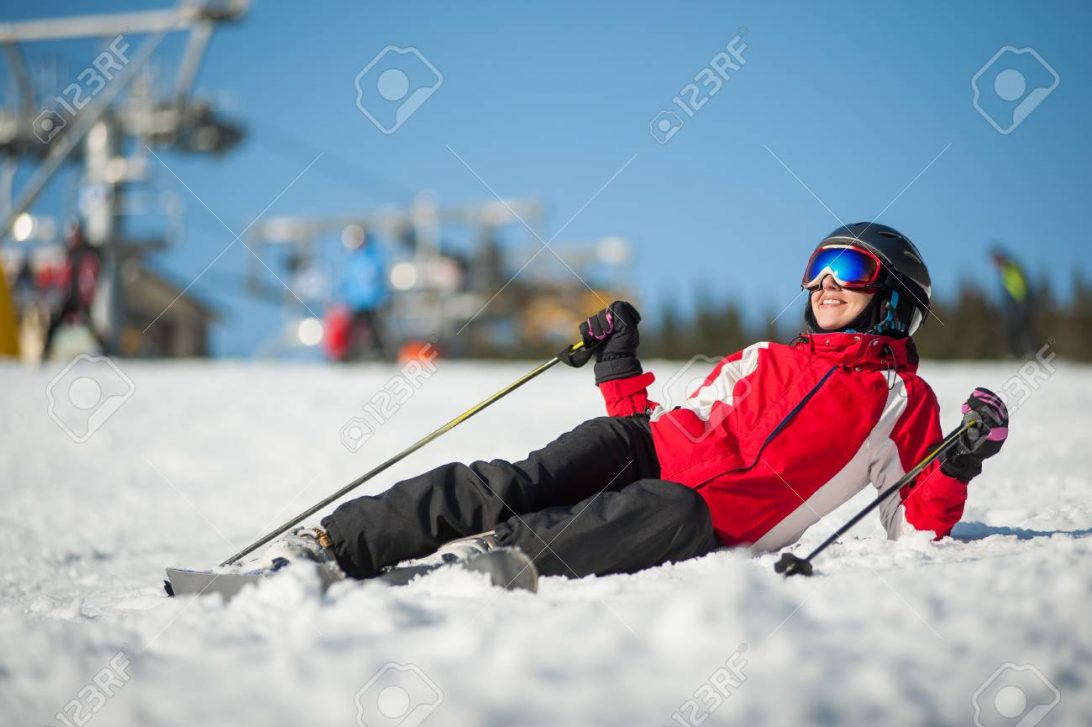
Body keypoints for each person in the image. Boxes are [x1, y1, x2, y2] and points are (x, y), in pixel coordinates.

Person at [249, 223, 1010, 580]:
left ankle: (492, 557)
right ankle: (333, 540)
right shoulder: (765, 357)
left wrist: (961, 461)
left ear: (895, 297)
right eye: (816, 267)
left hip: (709, 514)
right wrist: (619, 362)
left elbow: (913, 523)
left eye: (845, 267)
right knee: (510, 477)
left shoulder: (902, 402)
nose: (824, 284)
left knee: (661, 512)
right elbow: (660, 420)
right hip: (654, 447)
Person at [42, 222, 106, 359]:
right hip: (69, 296)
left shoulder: (88, 254)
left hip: (81, 298)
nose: (74, 239)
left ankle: (104, 350)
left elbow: (91, 274)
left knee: (89, 324)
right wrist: (59, 286)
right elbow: (64, 274)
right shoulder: (69, 254)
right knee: (56, 321)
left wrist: (88, 292)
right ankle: (45, 352)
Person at [335, 226, 390, 360]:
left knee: (375, 328)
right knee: (352, 329)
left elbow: (378, 280)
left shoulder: (372, 257)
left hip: (372, 301)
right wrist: (343, 297)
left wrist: (383, 297)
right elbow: (346, 282)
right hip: (356, 302)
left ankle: (380, 353)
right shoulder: (350, 260)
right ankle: (346, 354)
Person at [990, 247, 1037, 357]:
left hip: (1021, 302)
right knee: (1012, 329)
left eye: (995, 260)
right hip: (1015, 305)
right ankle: (1016, 354)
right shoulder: (1004, 271)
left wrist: (1021, 302)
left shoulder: (1011, 267)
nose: (994, 265)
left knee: (1024, 328)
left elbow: (1020, 285)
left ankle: (1031, 353)